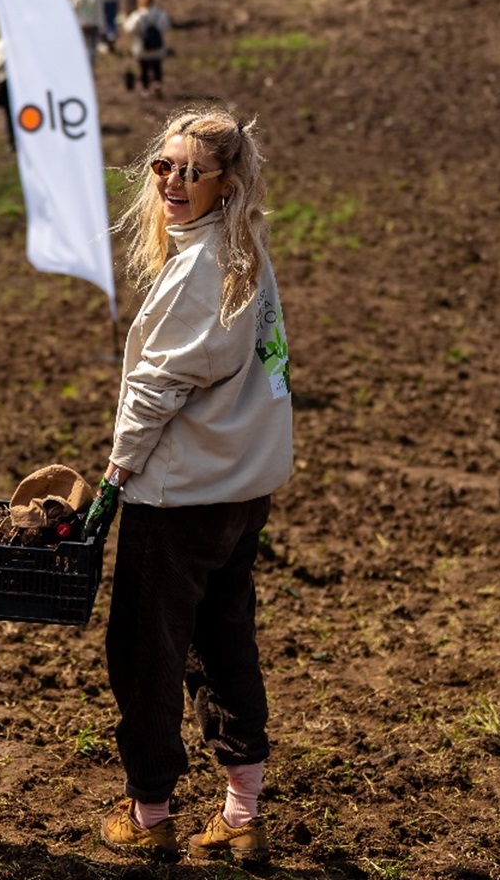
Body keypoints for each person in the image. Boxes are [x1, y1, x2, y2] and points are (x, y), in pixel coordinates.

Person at [96, 107, 293, 863]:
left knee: (145, 653)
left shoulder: (200, 266)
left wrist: (116, 471)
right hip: (240, 489)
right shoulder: (245, 250)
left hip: (179, 498)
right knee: (224, 643)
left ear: (226, 183)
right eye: (163, 167)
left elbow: (158, 384)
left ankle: (149, 815)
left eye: (192, 172)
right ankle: (242, 814)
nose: (172, 183)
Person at [122, 0, 171, 97]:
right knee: (157, 66)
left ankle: (146, 89)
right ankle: (157, 82)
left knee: (144, 68)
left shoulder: (138, 15)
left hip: (142, 47)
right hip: (157, 46)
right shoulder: (159, 13)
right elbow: (165, 25)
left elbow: (129, 28)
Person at [71, 0, 105, 66]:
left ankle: (86, 62)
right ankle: (90, 62)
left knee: (85, 45)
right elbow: (99, 11)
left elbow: (73, 9)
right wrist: (102, 26)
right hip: (93, 24)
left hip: (82, 24)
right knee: (92, 46)